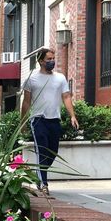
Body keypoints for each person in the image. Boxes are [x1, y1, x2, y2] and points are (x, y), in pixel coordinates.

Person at [20, 48, 79, 196]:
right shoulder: (31, 78)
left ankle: (39, 173)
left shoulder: (60, 78)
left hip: (54, 120)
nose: (52, 61)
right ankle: (43, 184)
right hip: (38, 120)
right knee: (42, 151)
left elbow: (66, 97)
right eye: (49, 59)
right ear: (41, 61)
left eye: (53, 59)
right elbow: (26, 102)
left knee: (52, 152)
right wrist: (23, 122)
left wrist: (72, 116)